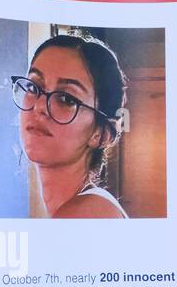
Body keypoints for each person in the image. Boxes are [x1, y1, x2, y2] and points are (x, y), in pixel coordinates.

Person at [10, 32, 130, 218]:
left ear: (100, 134)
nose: (40, 106)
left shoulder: (88, 213)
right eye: (34, 87)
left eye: (66, 99)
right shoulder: (83, 209)